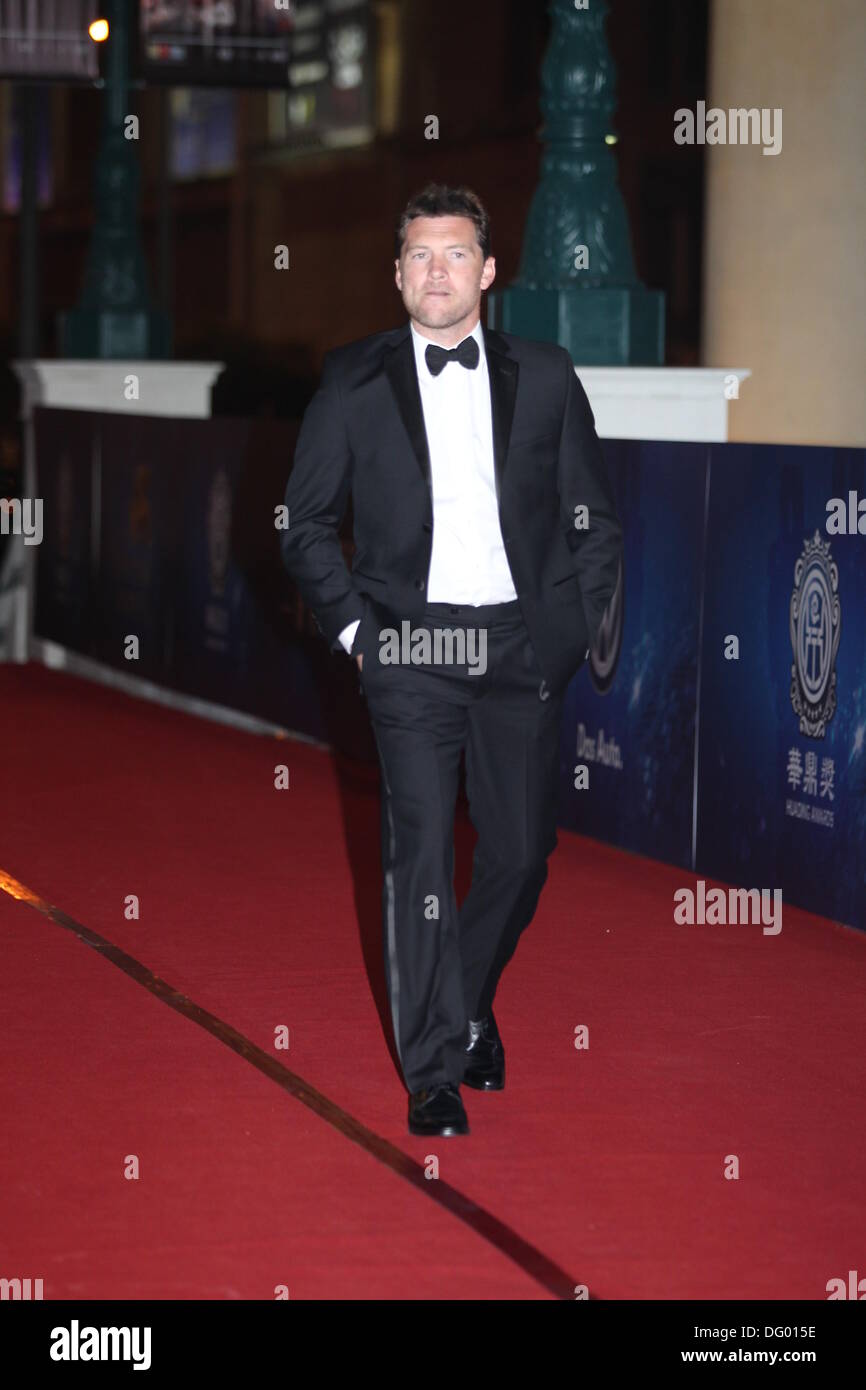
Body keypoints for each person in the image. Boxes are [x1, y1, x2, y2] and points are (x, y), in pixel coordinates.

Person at [281, 183, 622, 1137]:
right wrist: (360, 637)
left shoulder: (549, 376)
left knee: (519, 854)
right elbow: (304, 526)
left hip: (521, 644)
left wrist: (578, 628)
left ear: (489, 270)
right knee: (422, 853)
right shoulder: (350, 381)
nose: (439, 270)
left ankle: (468, 1000)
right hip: (413, 649)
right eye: (421, 256)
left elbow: (592, 510)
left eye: (457, 253)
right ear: (397, 275)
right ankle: (432, 1069)